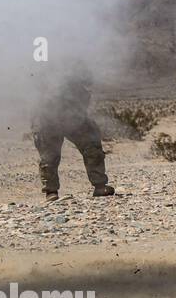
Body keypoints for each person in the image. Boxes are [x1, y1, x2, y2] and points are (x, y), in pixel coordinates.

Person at [31, 64, 114, 202]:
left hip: (73, 116)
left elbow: (85, 89)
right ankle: (51, 191)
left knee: (91, 145)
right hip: (47, 118)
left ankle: (100, 185)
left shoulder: (73, 65)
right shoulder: (42, 65)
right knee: (49, 157)